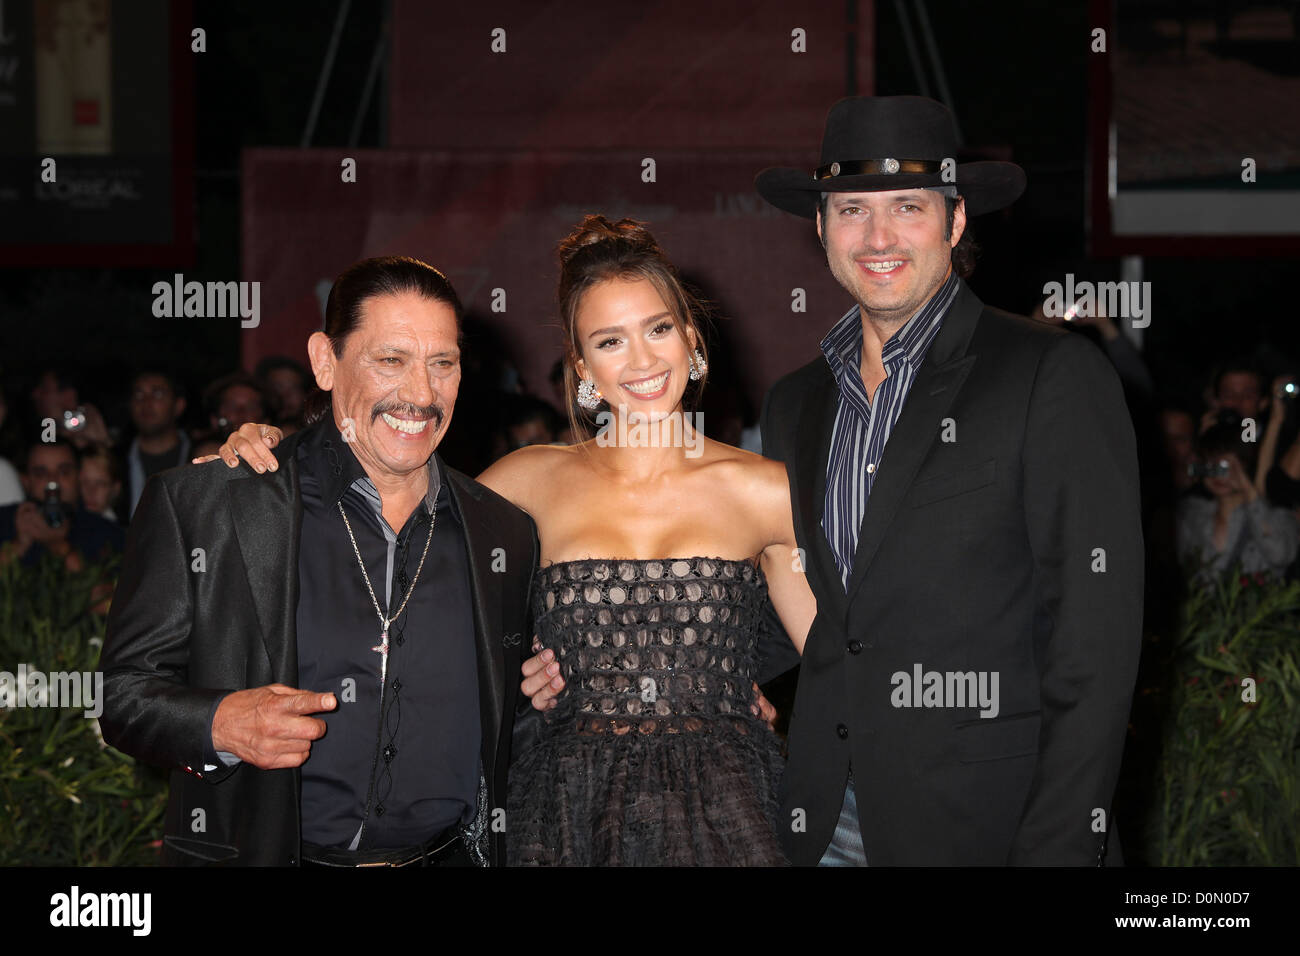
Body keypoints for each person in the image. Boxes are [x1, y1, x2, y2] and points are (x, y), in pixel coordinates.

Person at [217, 217, 815, 866]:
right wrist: (280, 452)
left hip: (725, 809)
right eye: (610, 341)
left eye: (659, 329)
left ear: (692, 340)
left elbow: (842, 662)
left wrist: (728, 684)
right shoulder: (526, 482)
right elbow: (391, 545)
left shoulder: (768, 490)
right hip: (565, 810)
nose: (642, 361)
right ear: (583, 366)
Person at [740, 95, 1144, 865]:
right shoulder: (796, 403)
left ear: (956, 223)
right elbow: (817, 610)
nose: (879, 236)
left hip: (992, 827)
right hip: (824, 821)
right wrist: (613, 664)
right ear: (820, 227)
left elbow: (1096, 646)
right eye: (852, 208)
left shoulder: (1048, 374)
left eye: (909, 207)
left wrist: (1059, 848)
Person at [98, 256, 538, 867]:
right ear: (326, 362)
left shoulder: (506, 533)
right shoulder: (212, 504)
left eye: (443, 364)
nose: (420, 394)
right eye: (391, 360)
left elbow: (510, 728)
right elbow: (121, 696)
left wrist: (550, 696)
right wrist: (221, 722)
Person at [1176, 422, 1298, 587]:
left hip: (1255, 611)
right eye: (1211, 465)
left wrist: (1248, 488)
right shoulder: (1192, 512)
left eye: (1225, 467)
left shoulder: (1276, 514)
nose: (1218, 475)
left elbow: (1280, 554)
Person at [0, 439, 125, 568]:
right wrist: (18, 545)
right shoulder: (5, 521)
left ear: (78, 476)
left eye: (64, 472)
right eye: (41, 474)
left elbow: (108, 586)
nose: (52, 481)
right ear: (26, 480)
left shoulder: (106, 533)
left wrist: (59, 546)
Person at [124, 370, 190, 519]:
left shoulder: (201, 456)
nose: (146, 403)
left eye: (158, 394)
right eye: (139, 395)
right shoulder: (115, 461)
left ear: (178, 405)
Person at [78, 445, 124, 523]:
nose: (91, 491)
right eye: (85, 482)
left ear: (115, 488)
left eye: (100, 484)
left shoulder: (125, 532)